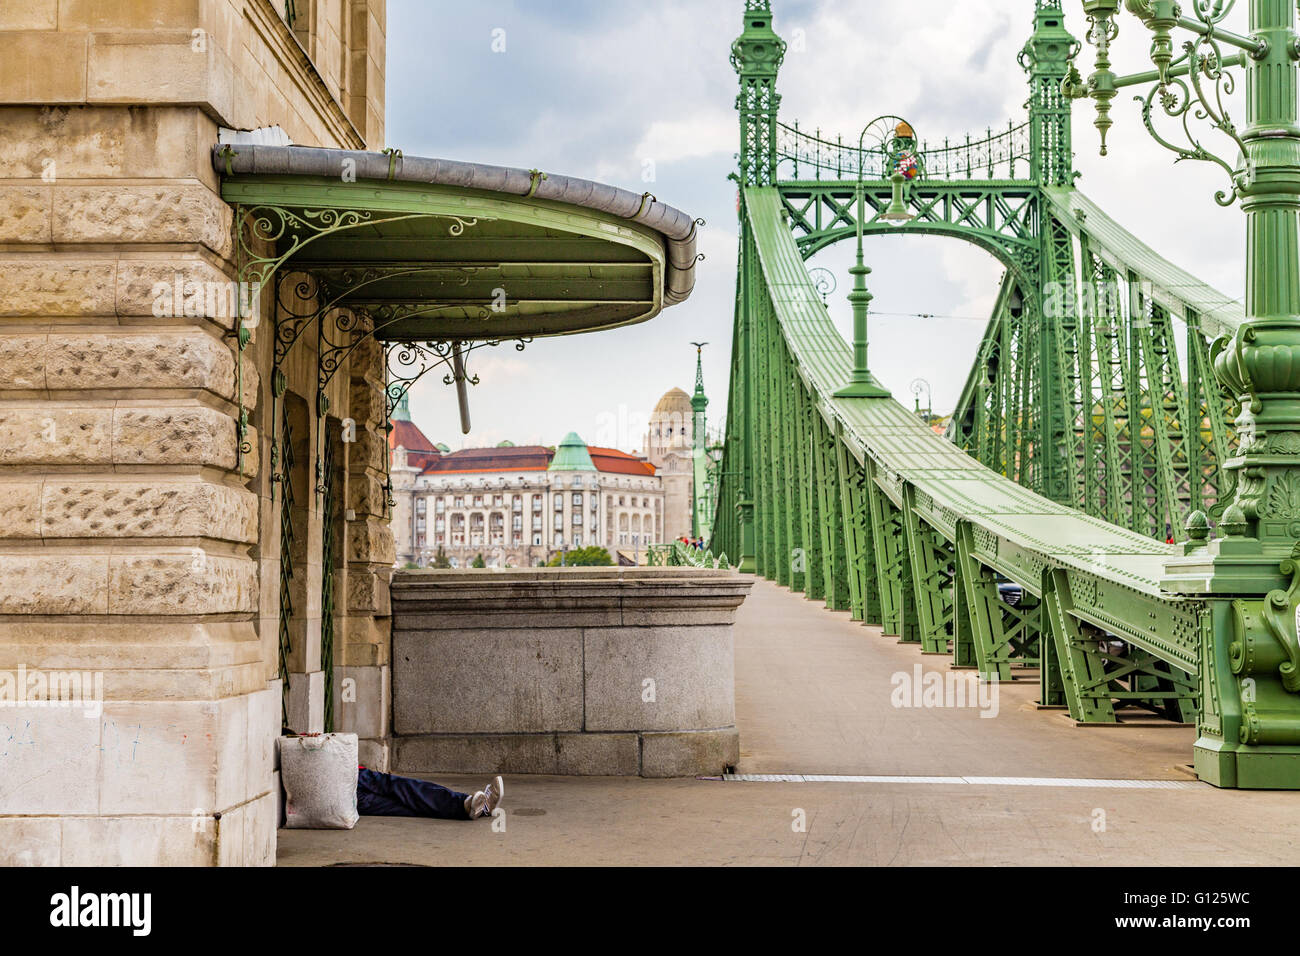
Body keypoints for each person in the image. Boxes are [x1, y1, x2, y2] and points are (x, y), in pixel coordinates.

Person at [357, 767, 505, 821]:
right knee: (402, 788)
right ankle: (464, 804)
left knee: (405, 802)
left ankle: (471, 807)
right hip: (347, 779)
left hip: (346, 797)